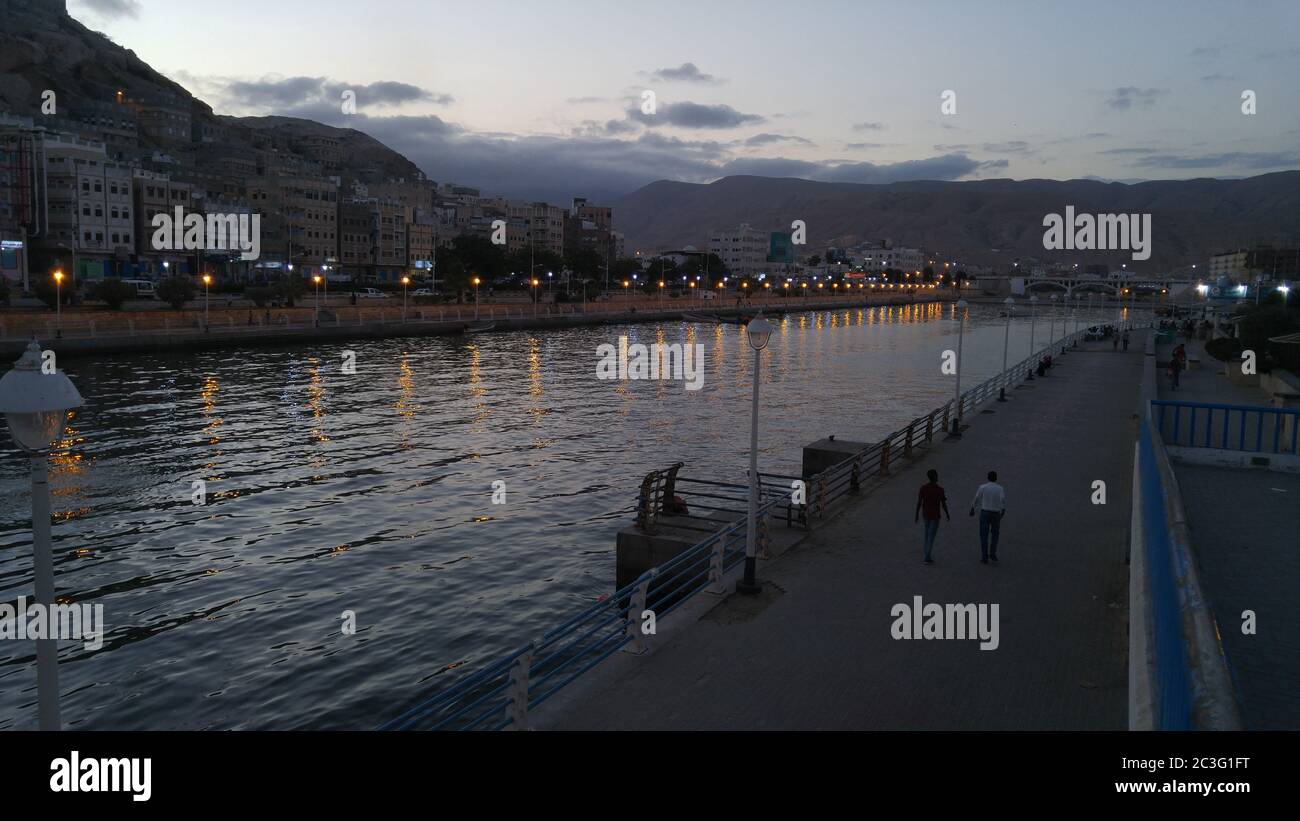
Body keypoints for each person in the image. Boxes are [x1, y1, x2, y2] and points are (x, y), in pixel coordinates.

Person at [969, 471, 1007, 564]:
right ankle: (992, 553)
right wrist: (1003, 510)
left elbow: (977, 497)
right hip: (995, 513)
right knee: (995, 534)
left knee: (983, 535)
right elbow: (1002, 499)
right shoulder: (1000, 488)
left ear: (988, 478)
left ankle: (984, 556)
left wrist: (973, 508)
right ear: (996, 478)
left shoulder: (983, 487)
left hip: (985, 512)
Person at [914, 469, 951, 564]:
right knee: (931, 535)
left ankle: (926, 551)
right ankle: (927, 556)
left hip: (925, 514)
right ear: (935, 477)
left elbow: (919, 502)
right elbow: (943, 504)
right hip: (935, 515)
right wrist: (947, 514)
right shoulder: (940, 490)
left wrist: (917, 514)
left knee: (927, 534)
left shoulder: (923, 488)